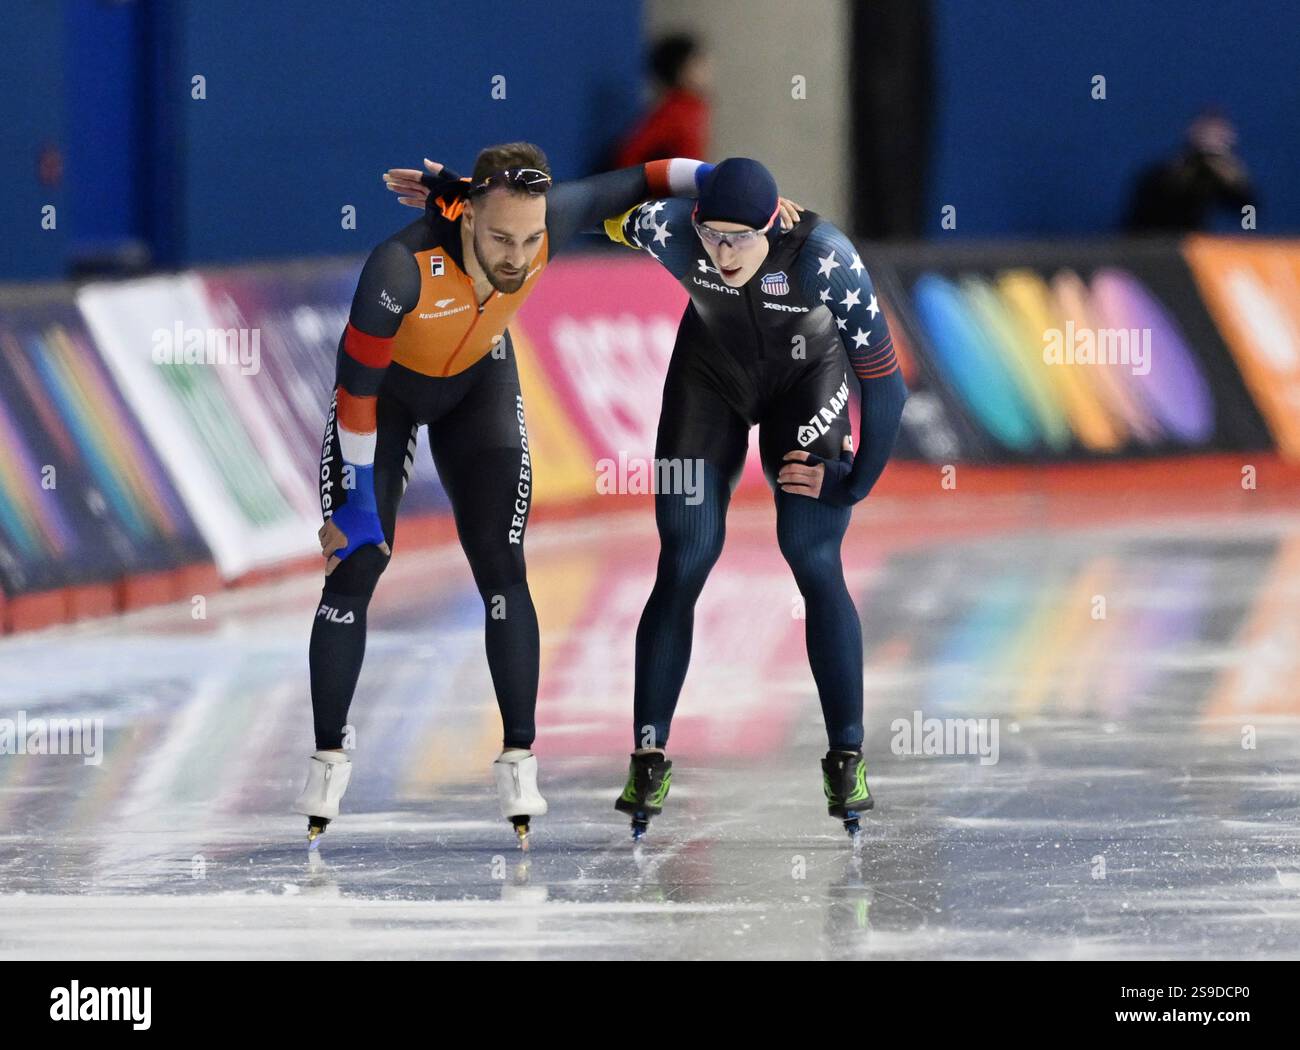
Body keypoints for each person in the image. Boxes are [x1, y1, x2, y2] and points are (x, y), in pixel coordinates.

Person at [293, 143, 723, 850]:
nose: (517, 256)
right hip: (386, 400)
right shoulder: (397, 270)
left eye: (529, 240)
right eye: (498, 239)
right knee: (359, 561)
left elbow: (647, 178)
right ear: (465, 220)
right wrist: (358, 503)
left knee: (503, 563)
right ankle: (328, 759)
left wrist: (718, 181)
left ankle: (520, 759)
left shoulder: (547, 220)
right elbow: (356, 393)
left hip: (478, 384)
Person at [600, 158, 908, 840]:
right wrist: (700, 177)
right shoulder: (669, 229)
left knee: (810, 550)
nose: (724, 252)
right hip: (707, 382)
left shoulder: (827, 259)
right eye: (713, 235)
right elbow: (597, 204)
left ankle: (846, 755)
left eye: (742, 237)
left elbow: (887, 388)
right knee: (685, 557)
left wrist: (851, 483)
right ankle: (648, 756)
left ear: (775, 224)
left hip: (807, 382)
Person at [1125, 109, 1255, 232]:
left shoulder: (1223, 173)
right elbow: (1153, 207)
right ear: (1193, 132)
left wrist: (1236, 182)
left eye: (1219, 135)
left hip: (1195, 243)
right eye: (1208, 133)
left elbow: (1249, 213)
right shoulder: (1166, 171)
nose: (1213, 140)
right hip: (1154, 243)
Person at [613, 33, 712, 167]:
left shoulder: (696, 107)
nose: (706, 70)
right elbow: (630, 154)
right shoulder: (672, 112)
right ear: (680, 70)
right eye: (696, 64)